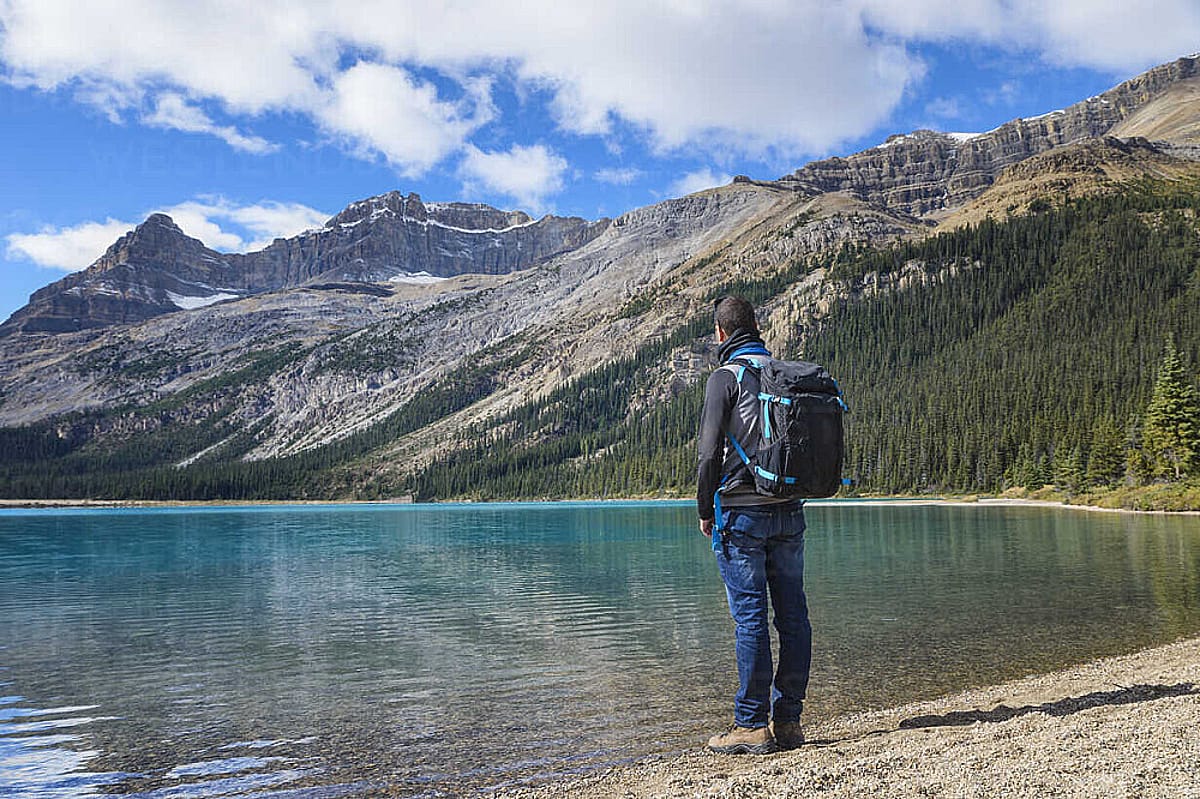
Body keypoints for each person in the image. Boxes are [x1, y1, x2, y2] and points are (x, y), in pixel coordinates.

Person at [697, 295, 811, 755]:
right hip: (790, 511)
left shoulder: (725, 377)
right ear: (755, 327)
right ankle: (788, 722)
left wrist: (705, 509)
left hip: (742, 515)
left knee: (750, 620)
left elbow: (707, 454)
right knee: (793, 617)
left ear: (722, 334)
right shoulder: (782, 375)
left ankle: (749, 724)